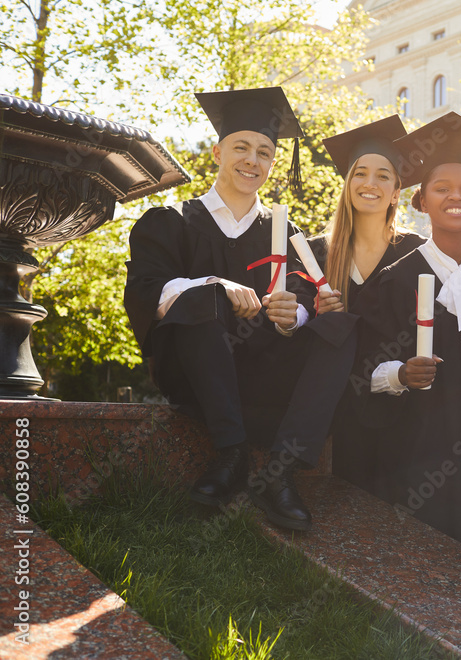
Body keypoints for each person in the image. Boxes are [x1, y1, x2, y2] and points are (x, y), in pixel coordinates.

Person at [124, 87, 358, 532]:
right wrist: (215, 284)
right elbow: (146, 292)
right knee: (202, 296)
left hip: (266, 378)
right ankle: (231, 453)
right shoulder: (171, 221)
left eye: (265, 152)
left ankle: (281, 470)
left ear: (272, 163)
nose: (253, 160)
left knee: (341, 325)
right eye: (242, 148)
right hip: (196, 377)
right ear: (217, 152)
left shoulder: (287, 234)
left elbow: (307, 295)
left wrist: (297, 315)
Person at [351, 112, 461, 565]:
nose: (456, 197)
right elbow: (366, 369)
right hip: (417, 451)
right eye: (442, 188)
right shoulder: (396, 279)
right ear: (421, 200)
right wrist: (400, 373)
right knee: (424, 566)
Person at [308, 115, 426, 493]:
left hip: (404, 411)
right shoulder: (316, 254)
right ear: (347, 184)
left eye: (383, 176)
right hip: (334, 411)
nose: (369, 183)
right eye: (360, 173)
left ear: (396, 191)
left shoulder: (419, 253)